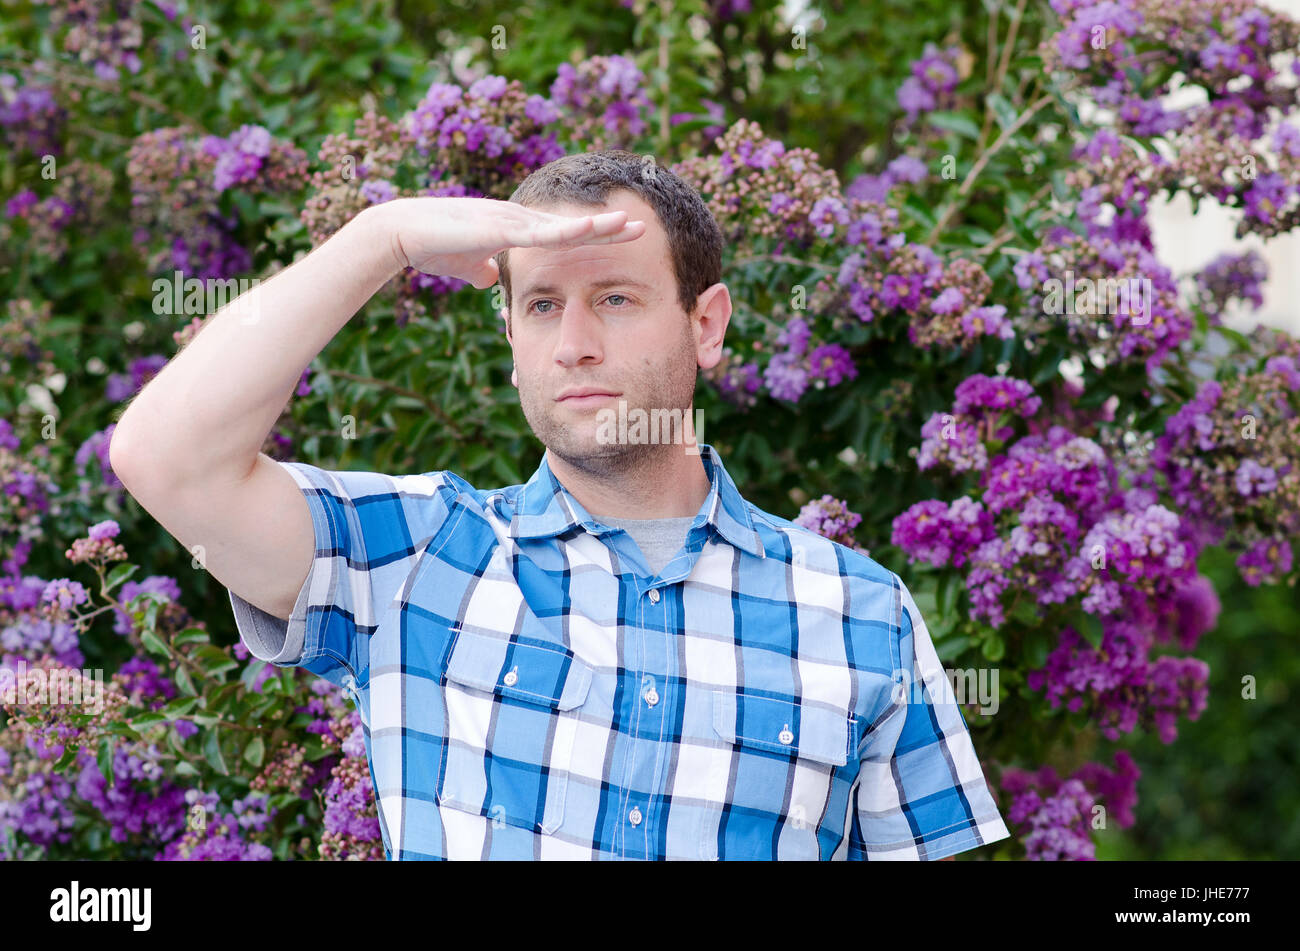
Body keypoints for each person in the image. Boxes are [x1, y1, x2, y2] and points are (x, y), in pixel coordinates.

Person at [111, 149, 1012, 861]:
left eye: (614, 298)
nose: (574, 344)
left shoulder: (862, 614)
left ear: (707, 323)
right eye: (542, 306)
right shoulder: (413, 556)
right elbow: (166, 458)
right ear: (509, 338)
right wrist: (380, 237)